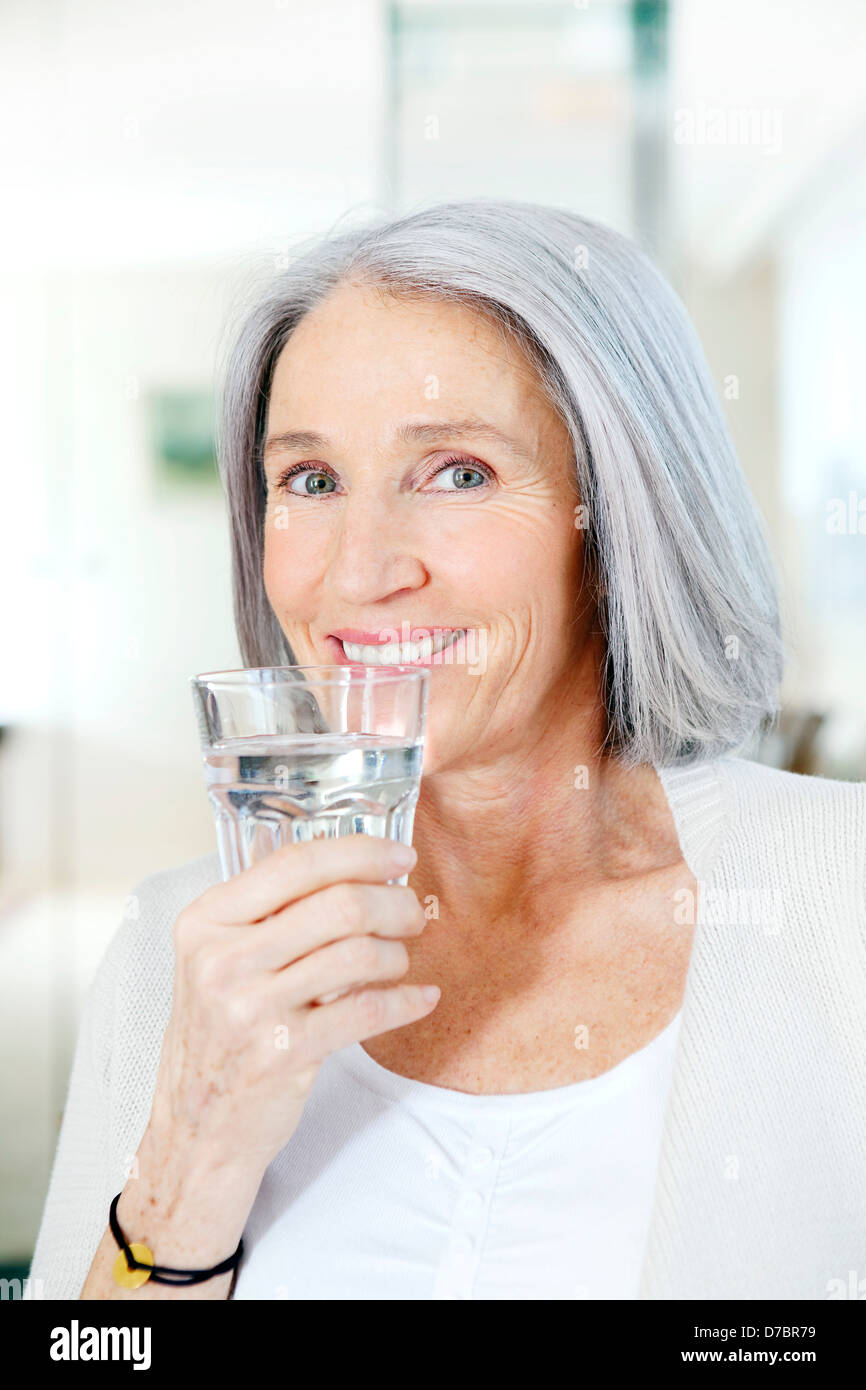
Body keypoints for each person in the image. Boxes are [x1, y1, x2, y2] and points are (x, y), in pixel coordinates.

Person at [30, 199, 866, 1300]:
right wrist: (186, 1170)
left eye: (457, 472)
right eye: (311, 481)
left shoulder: (834, 900)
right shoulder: (176, 954)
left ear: (617, 517)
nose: (359, 569)